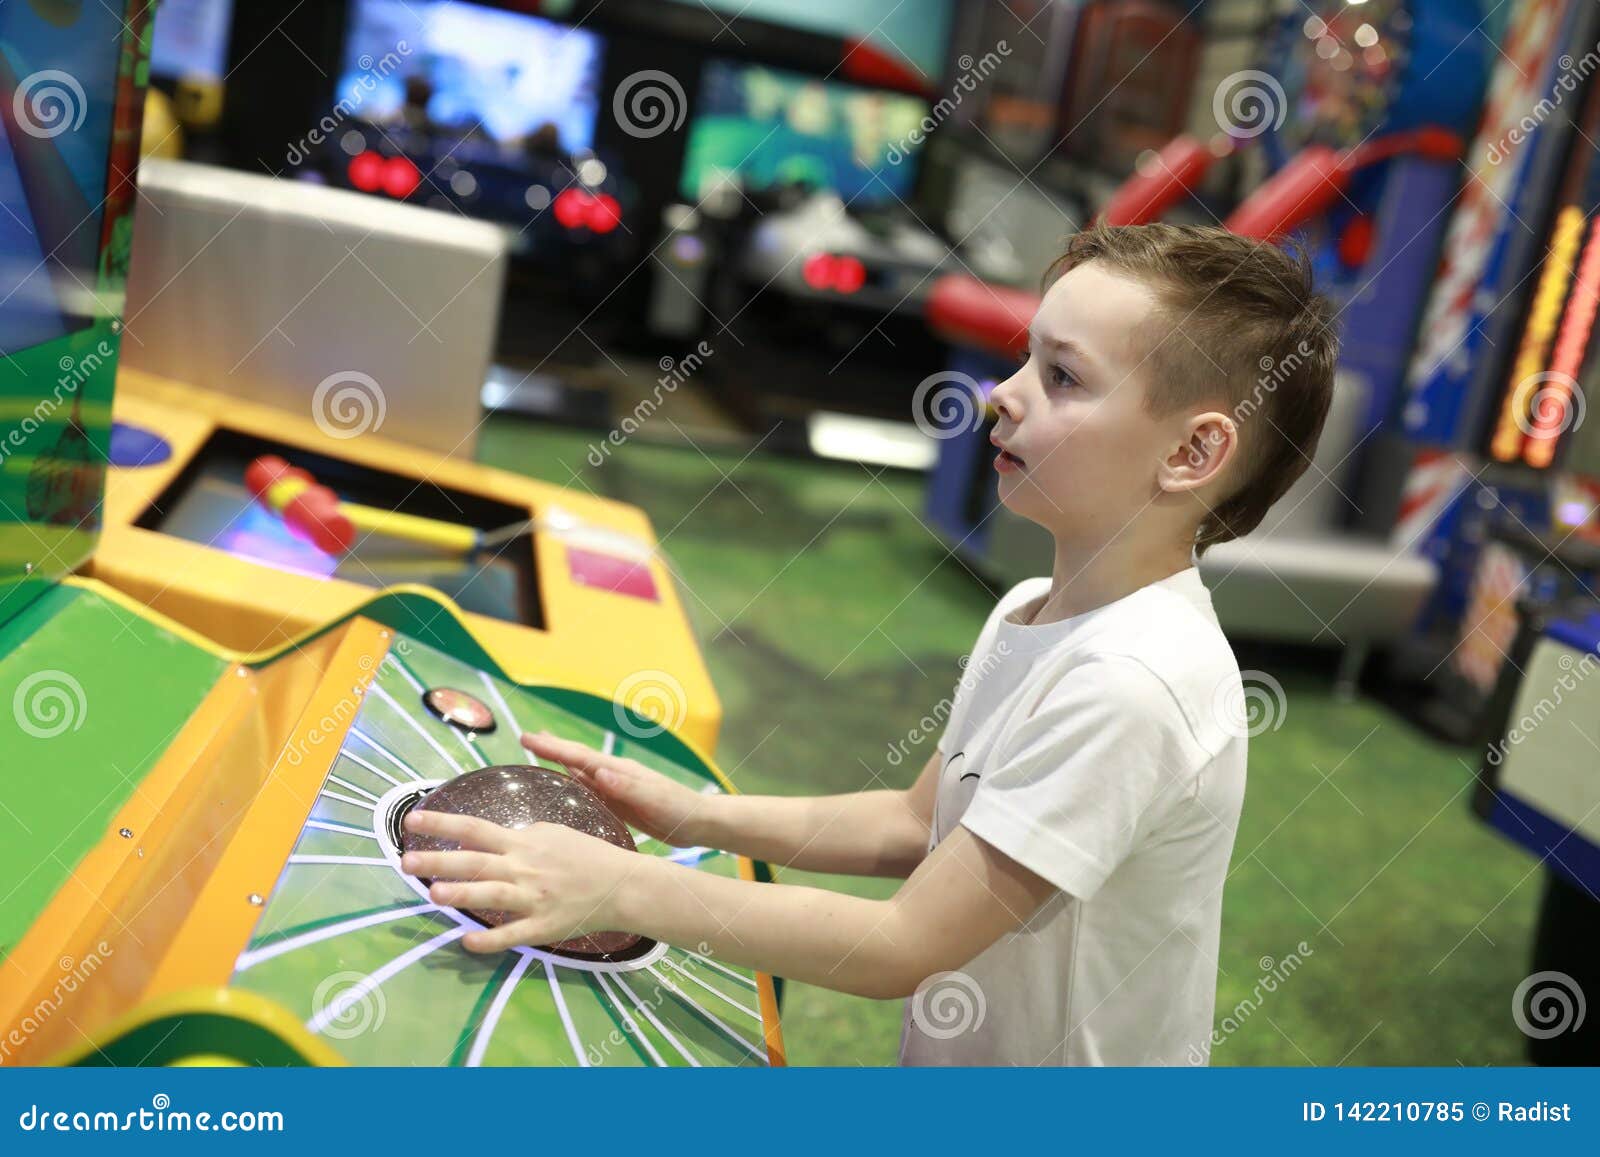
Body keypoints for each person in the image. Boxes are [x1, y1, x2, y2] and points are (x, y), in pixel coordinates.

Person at [402, 222, 1339, 1065]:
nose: (1001, 395)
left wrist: (623, 888)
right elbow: (912, 825)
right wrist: (696, 817)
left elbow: (901, 946)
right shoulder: (1032, 604)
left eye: (1062, 376)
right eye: (1024, 360)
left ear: (1190, 453)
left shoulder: (1136, 683)